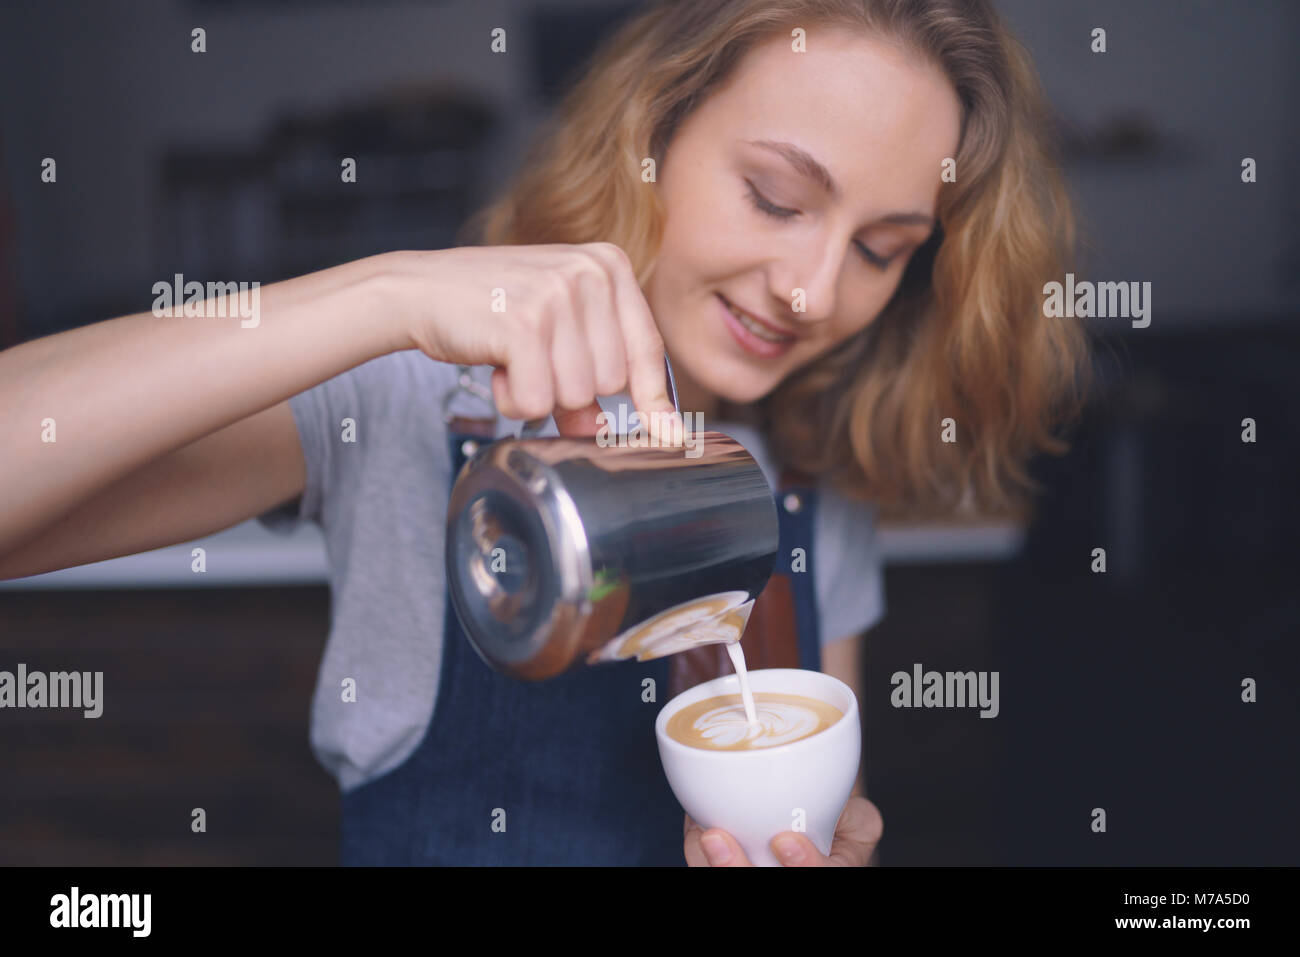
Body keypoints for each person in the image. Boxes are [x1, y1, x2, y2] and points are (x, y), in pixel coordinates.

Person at [0, 0, 1088, 866]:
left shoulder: (813, 472)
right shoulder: (414, 399)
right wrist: (382, 294)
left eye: (881, 248)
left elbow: (812, 794)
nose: (811, 290)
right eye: (774, 196)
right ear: (651, 134)